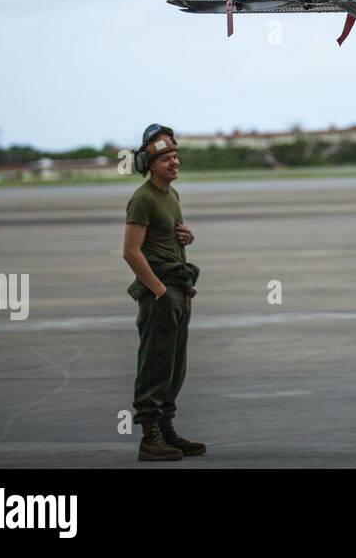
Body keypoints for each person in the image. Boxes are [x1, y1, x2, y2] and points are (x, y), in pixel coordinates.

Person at [122, 124, 204, 462]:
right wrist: (157, 289)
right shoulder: (142, 198)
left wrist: (186, 237)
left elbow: (165, 237)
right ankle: (150, 437)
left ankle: (166, 428)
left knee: (174, 365)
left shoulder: (171, 195)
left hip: (179, 288)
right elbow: (130, 250)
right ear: (149, 164)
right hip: (161, 292)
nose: (174, 161)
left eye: (175, 155)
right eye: (165, 157)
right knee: (156, 364)